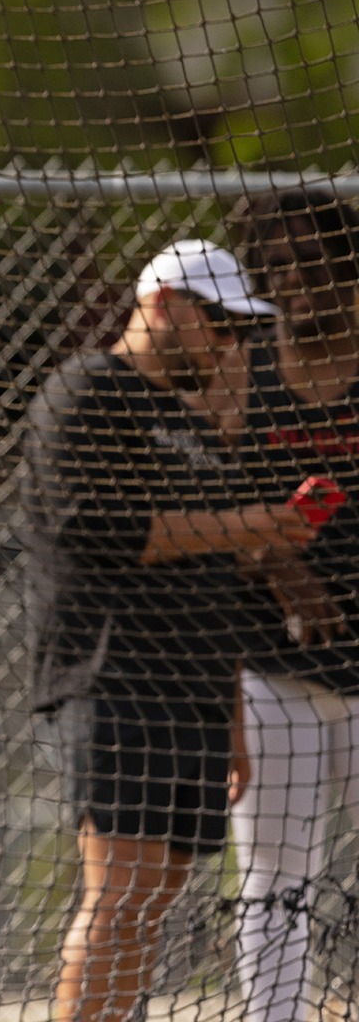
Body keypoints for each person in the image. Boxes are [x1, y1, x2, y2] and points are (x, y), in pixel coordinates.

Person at [21, 238, 315, 1022]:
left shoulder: (191, 423)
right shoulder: (86, 391)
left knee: (148, 912)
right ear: (162, 304)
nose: (231, 344)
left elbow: (213, 586)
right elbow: (103, 531)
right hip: (117, 684)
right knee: (117, 904)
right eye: (219, 326)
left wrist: (232, 722)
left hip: (192, 697)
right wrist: (252, 522)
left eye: (241, 332)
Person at [225, 189, 359, 1022]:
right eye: (274, 268)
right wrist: (277, 564)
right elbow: (205, 500)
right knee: (274, 879)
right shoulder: (245, 372)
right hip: (274, 672)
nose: (292, 282)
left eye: (309, 262)